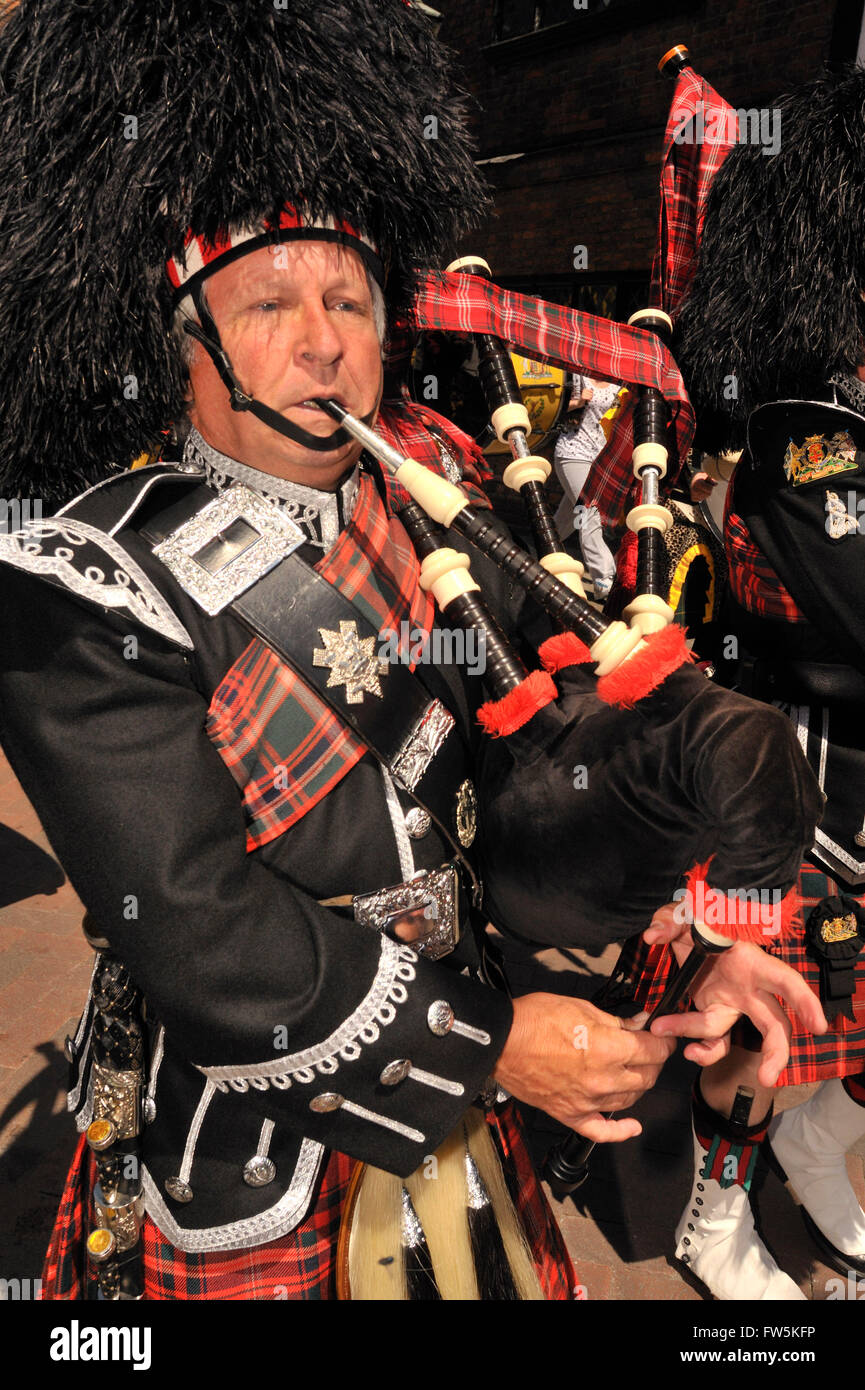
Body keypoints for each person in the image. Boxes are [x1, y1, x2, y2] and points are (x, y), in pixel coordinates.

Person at [0, 0, 826, 1301]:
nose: (326, 339)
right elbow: (200, 932)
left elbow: (541, 748)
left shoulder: (435, 478)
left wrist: (706, 890)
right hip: (265, 1113)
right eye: (270, 300)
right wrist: (495, 1046)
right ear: (183, 341)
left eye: (351, 297)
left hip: (468, 1039)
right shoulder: (90, 574)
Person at [613, 64, 865, 1301]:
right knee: (757, 1038)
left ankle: (818, 1162)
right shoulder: (806, 431)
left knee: (846, 1049)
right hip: (801, 788)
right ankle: (713, 1220)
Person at [553, 376, 620, 599]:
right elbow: (556, 412)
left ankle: (540, 553)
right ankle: (604, 578)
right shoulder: (577, 377)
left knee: (569, 517)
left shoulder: (619, 384)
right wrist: (579, 402)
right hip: (573, 451)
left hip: (600, 457)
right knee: (589, 511)